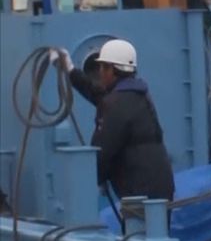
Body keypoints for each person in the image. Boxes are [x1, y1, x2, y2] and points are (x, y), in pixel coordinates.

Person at [52, 39, 175, 202]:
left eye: (103, 67)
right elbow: (98, 94)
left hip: (139, 193)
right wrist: (70, 70)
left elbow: (102, 151)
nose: (100, 72)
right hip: (158, 187)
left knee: (139, 228)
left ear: (112, 70)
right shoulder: (136, 94)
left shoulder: (116, 103)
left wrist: (87, 184)